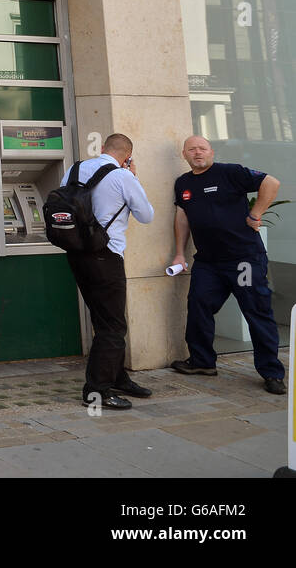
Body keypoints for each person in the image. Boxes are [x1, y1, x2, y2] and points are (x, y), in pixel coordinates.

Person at [169, 136, 286, 395]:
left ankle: (271, 372)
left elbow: (271, 182)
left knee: (256, 312)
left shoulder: (230, 172)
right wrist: (179, 253)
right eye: (192, 149)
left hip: (244, 260)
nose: (197, 153)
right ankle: (202, 362)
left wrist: (257, 213)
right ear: (184, 155)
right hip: (208, 262)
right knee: (199, 306)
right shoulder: (184, 184)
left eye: (202, 148)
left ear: (211, 151)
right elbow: (182, 217)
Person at [61, 133, 156, 410]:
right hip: (106, 256)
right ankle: (97, 391)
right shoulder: (123, 177)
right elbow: (146, 215)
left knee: (103, 319)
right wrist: (133, 178)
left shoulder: (74, 169)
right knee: (113, 326)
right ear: (127, 157)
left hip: (77, 254)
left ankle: (118, 377)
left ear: (103, 148)